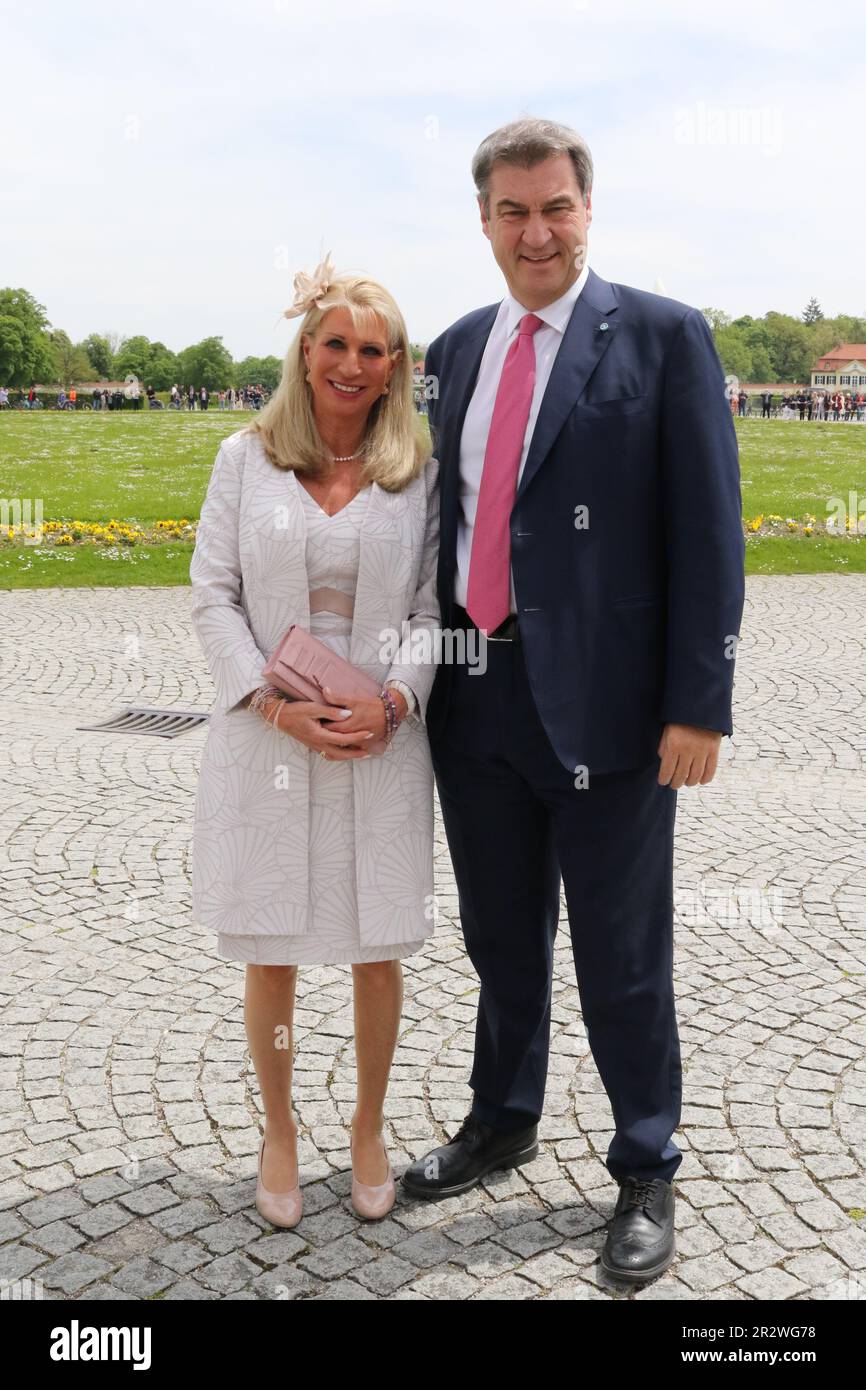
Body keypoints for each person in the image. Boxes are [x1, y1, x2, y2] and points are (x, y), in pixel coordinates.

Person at [402, 117, 745, 1285]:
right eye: (511, 211)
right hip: (475, 702)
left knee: (621, 951)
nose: (534, 230)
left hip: (611, 712)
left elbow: (708, 533)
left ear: (585, 210)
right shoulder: (450, 350)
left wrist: (698, 704)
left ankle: (645, 1158)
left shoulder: (660, 337)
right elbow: (433, 527)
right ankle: (501, 1115)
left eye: (553, 207)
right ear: (484, 221)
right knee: (500, 937)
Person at [189, 259, 440, 1228]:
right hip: (269, 737)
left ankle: (368, 1123)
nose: (349, 362)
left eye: (369, 350)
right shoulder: (242, 458)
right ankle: (279, 1129)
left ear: (391, 368)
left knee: (377, 947)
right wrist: (267, 699)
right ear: (304, 351)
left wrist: (396, 699)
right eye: (333, 343)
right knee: (274, 951)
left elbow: (429, 610)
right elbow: (212, 593)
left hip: (378, 740)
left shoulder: (410, 474)